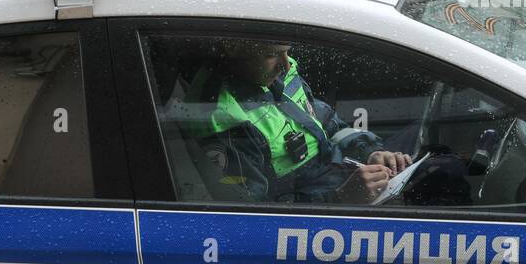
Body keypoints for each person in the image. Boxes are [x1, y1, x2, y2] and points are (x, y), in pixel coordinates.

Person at [173, 39, 412, 204]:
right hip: (325, 207)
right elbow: (256, 214)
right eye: (271, 54)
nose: (286, 64)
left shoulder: (271, 74)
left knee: (429, 157)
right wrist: (341, 199)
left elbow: (327, 123)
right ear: (233, 48)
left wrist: (370, 152)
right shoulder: (227, 121)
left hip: (346, 172)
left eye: (287, 51)